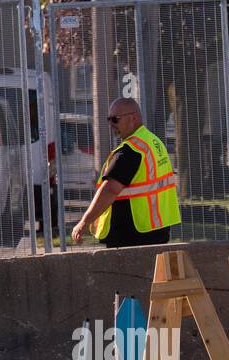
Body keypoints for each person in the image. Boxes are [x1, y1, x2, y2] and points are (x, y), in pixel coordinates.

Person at [70, 97, 181, 248]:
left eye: (115, 119)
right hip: (154, 230)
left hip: (133, 234)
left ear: (133, 117)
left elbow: (109, 189)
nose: (111, 124)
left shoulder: (131, 150)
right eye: (109, 119)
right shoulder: (153, 141)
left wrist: (84, 222)